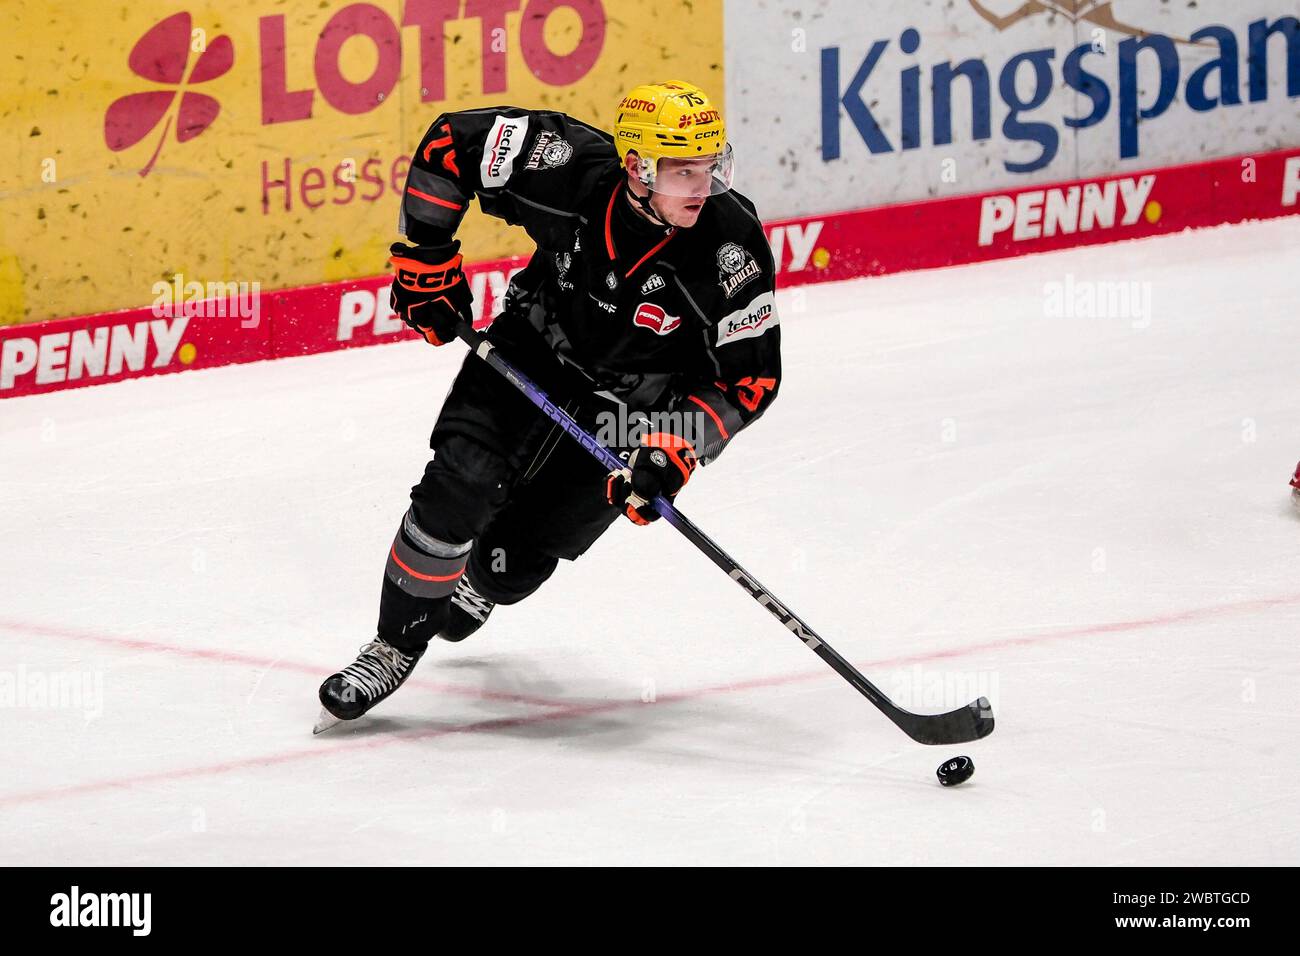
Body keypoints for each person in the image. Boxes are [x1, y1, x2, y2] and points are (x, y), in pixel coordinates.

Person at [316, 81, 781, 731]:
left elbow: (748, 380)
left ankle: (482, 576)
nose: (701, 188)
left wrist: (675, 445)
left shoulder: (731, 247)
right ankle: (393, 645)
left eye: (709, 167)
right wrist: (426, 259)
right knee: (459, 487)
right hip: (531, 349)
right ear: (638, 169)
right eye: (682, 171)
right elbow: (452, 144)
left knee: (516, 563)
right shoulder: (563, 165)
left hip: (633, 407)